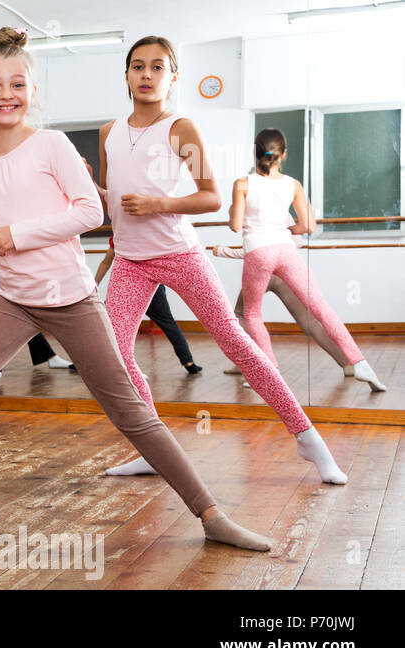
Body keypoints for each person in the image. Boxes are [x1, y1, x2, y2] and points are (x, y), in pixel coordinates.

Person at [0, 27, 271, 551]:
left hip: (71, 301)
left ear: (32, 91)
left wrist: (17, 235)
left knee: (130, 412)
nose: (6, 94)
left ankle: (211, 514)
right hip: (14, 300)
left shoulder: (52, 144)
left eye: (17, 83)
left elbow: (88, 211)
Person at [98, 36, 345, 484]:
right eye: (138, 66)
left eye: (158, 67)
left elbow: (211, 197)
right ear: (127, 75)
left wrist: (158, 205)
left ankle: (308, 437)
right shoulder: (108, 132)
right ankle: (153, 449)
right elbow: (110, 199)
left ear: (173, 77)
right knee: (115, 355)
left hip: (179, 253)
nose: (147, 75)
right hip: (131, 260)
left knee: (235, 340)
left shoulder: (180, 128)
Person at [226, 128, 385, 392]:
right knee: (321, 307)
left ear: (255, 153)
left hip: (259, 252)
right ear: (283, 154)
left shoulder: (242, 183)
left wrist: (239, 211)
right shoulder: (293, 184)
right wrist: (284, 230)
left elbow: (234, 225)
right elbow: (308, 225)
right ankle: (359, 363)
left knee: (251, 314)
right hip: (287, 251)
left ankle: (270, 373)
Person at [210, 242, 356, 377]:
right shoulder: (286, 220)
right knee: (309, 321)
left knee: (242, 315)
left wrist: (224, 251)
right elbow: (293, 243)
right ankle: (347, 364)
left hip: (263, 271)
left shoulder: (257, 219)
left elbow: (255, 251)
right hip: (282, 272)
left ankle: (245, 363)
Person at [94, 238, 202, 374]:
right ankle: (188, 362)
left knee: (167, 323)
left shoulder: (145, 234)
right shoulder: (119, 235)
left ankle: (188, 361)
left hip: (148, 288)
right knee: (106, 323)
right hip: (127, 287)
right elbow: (106, 262)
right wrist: (94, 284)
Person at [0, 251, 76, 373]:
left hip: (2, 282)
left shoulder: (0, 235)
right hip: (6, 282)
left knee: (21, 321)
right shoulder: (6, 234)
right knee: (18, 321)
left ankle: (49, 356)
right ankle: (49, 357)